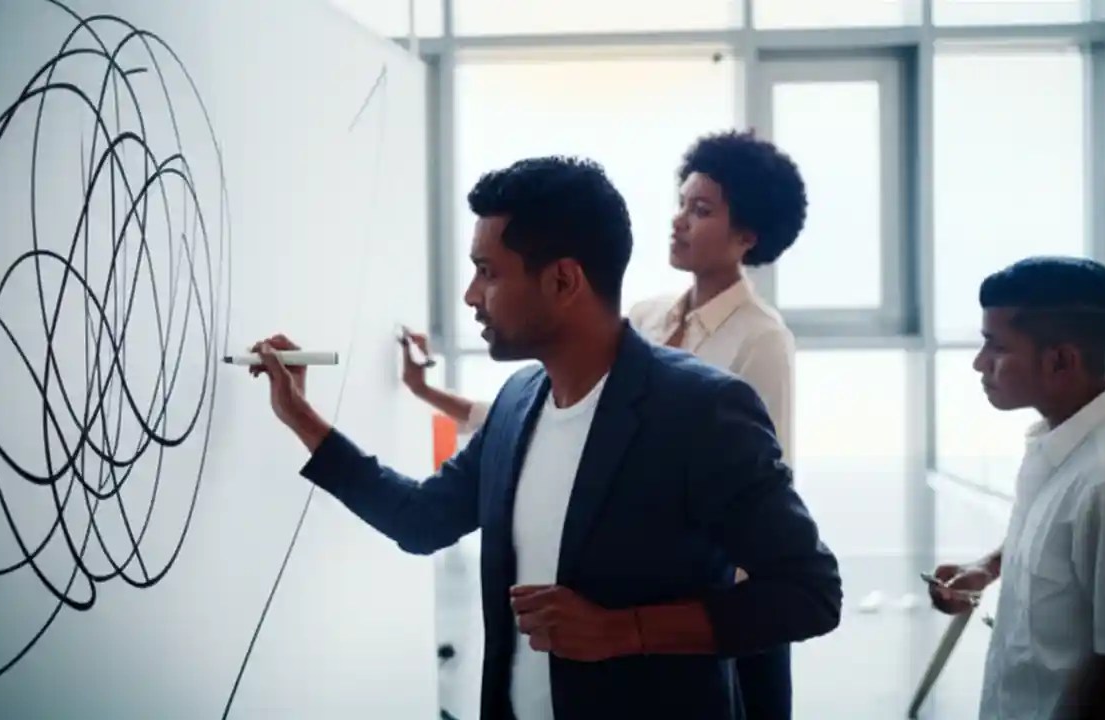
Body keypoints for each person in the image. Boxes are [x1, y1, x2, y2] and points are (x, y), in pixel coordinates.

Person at [252, 155, 841, 719]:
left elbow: (809, 592)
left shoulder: (703, 412)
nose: (471, 296)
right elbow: (421, 519)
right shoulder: (516, 403)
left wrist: (625, 630)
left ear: (563, 280)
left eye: (487, 272)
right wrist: (301, 416)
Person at [400, 129, 806, 718]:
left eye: (702, 210)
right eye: (681, 203)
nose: (679, 221)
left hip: (710, 613)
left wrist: (692, 624)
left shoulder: (762, 340)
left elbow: (761, 495)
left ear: (747, 235)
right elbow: (554, 423)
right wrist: (426, 391)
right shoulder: (644, 315)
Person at [928, 257, 1105, 720]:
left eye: (995, 347)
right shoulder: (1060, 440)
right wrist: (988, 567)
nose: (980, 363)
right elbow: (1059, 532)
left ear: (1061, 359)